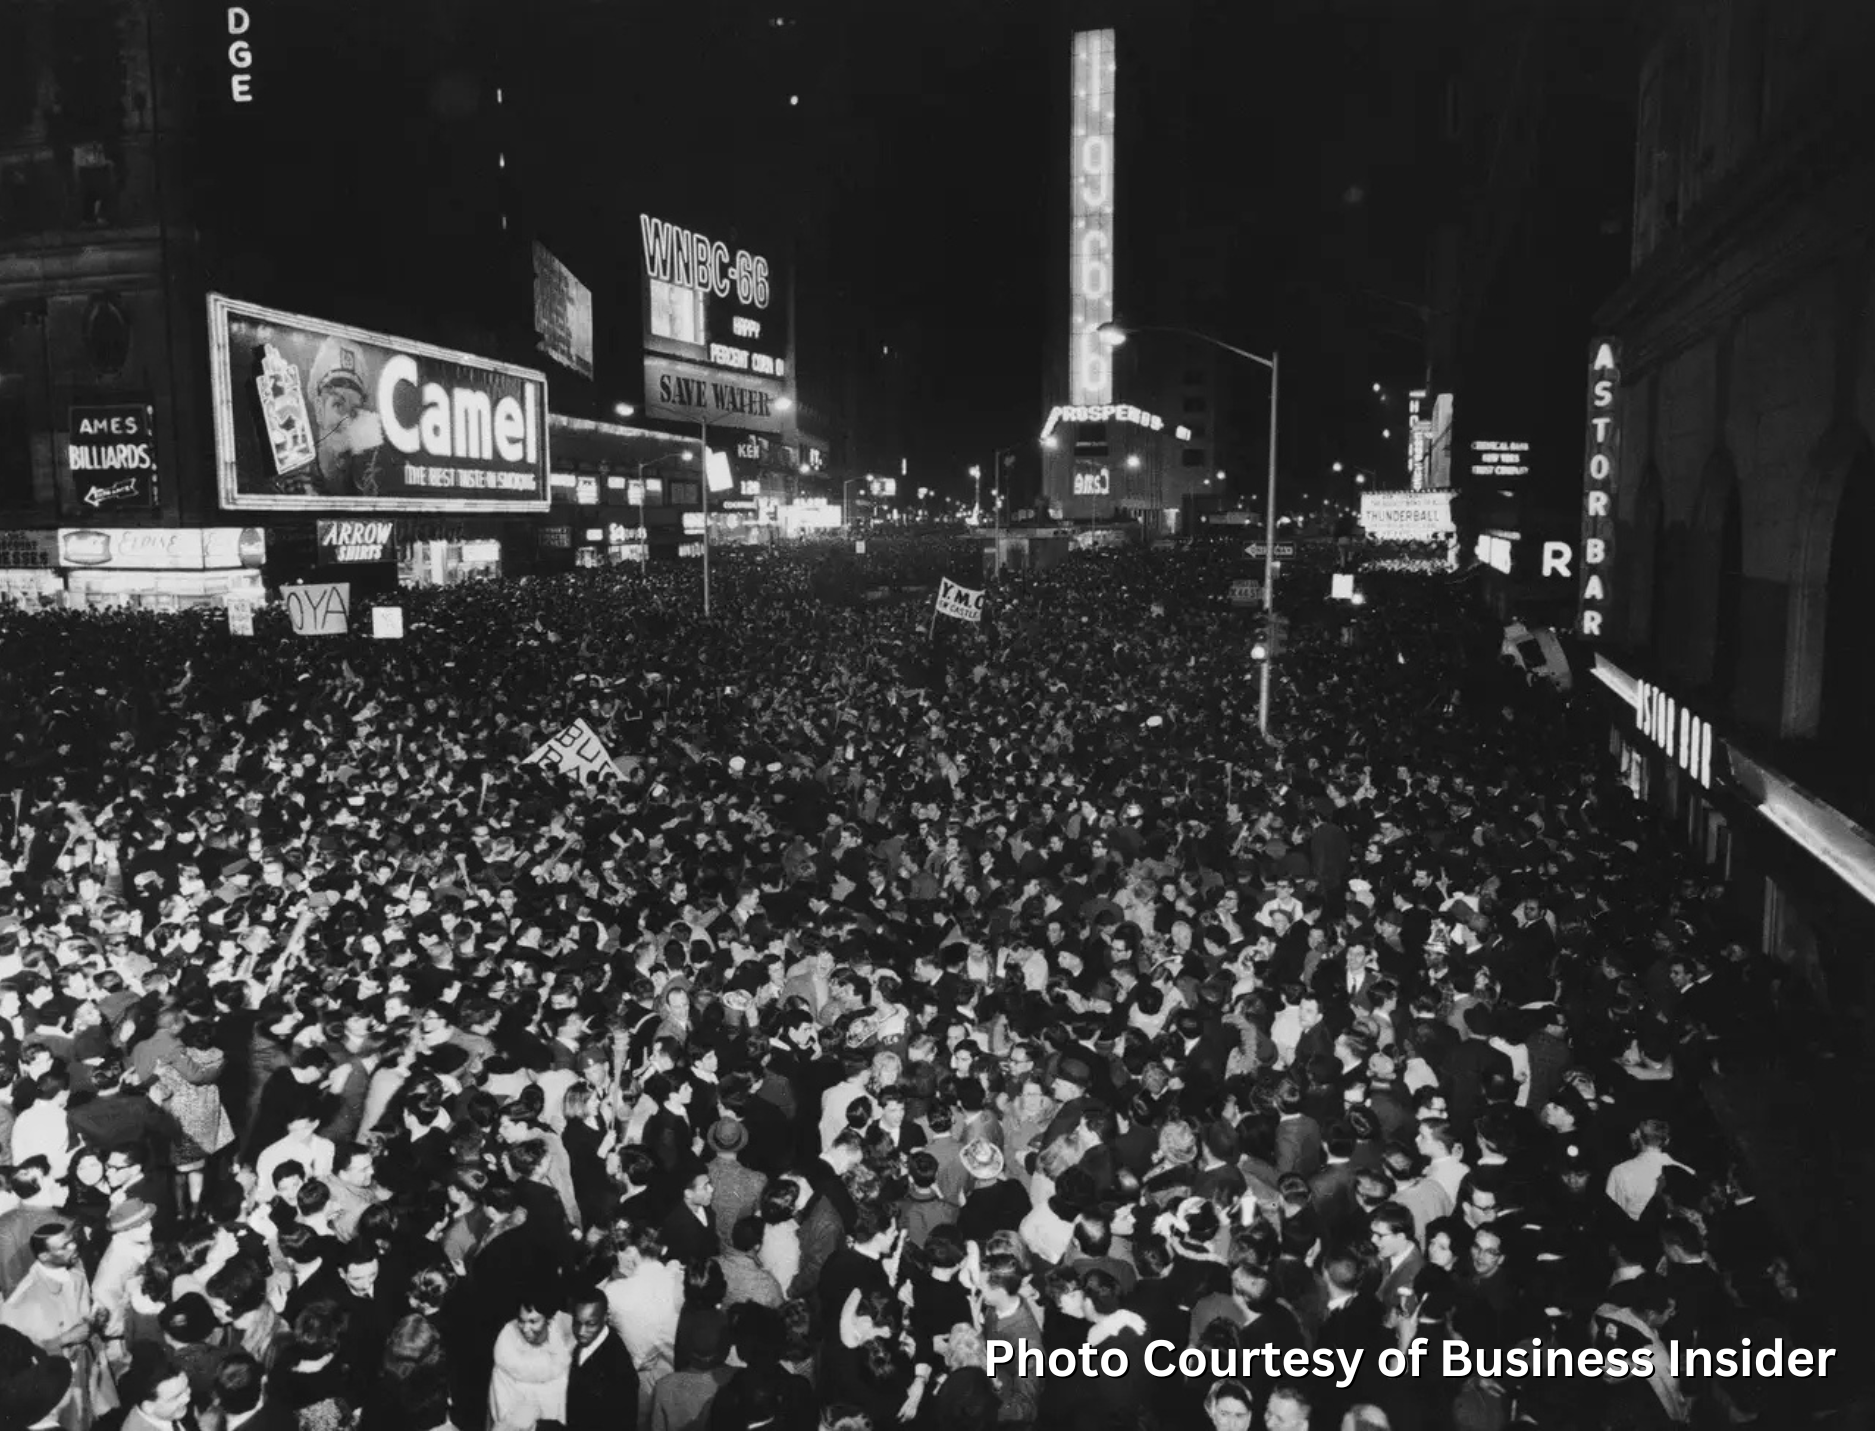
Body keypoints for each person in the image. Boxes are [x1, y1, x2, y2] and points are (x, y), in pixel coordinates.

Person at [487, 1282, 573, 1431]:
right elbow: (503, 1410)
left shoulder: (565, 1344)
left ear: (548, 1319)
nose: (526, 1329)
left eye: (533, 1321)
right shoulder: (507, 1354)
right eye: (521, 1321)